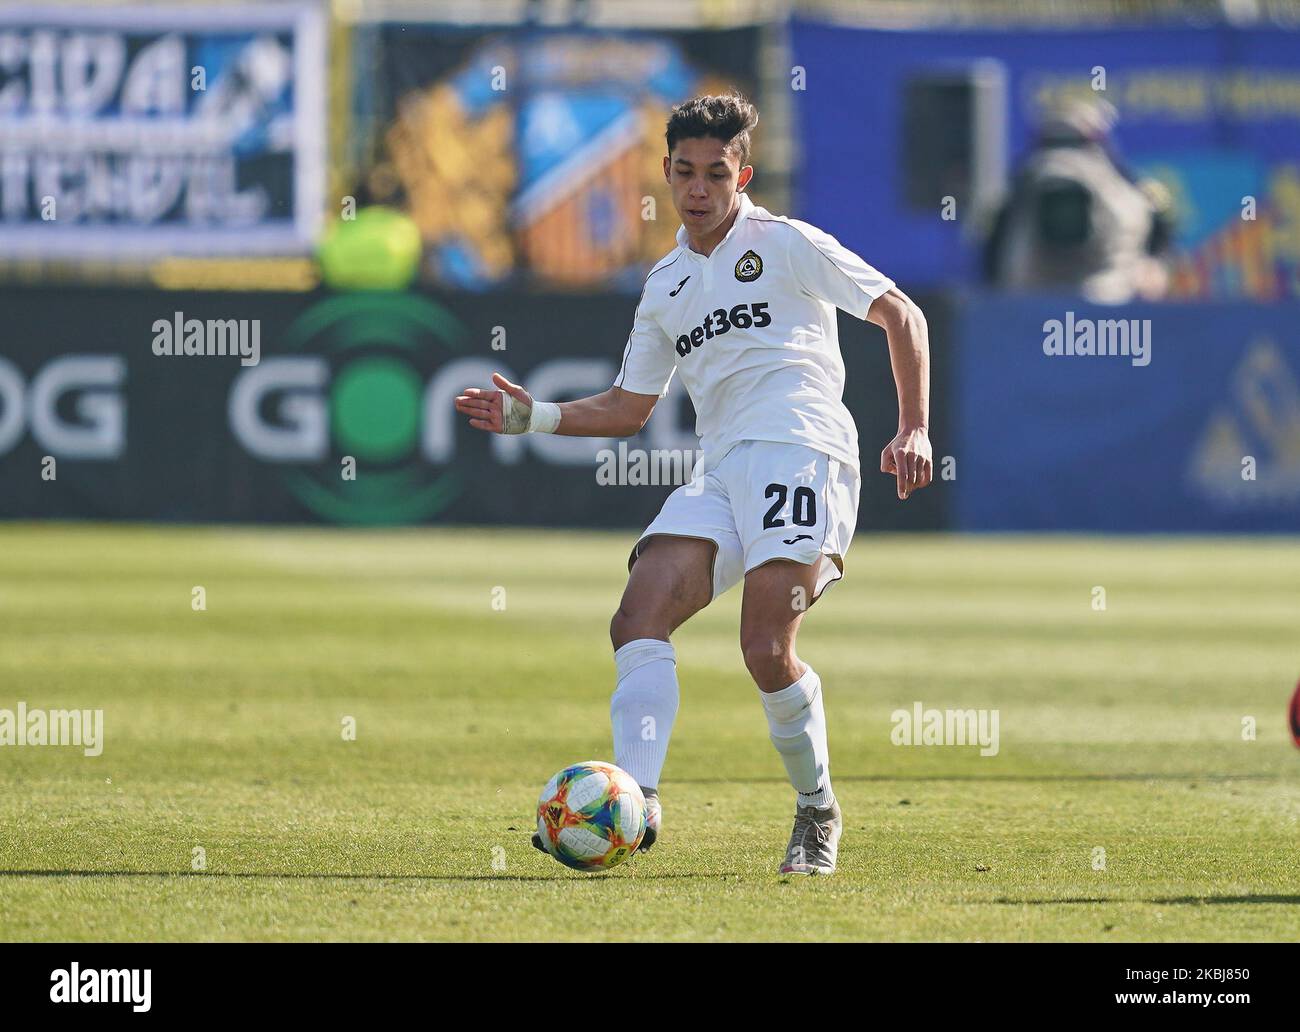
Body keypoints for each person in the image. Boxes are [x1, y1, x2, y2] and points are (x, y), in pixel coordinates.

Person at [455, 93, 932, 874]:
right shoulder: (666, 283)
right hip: (720, 469)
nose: (700, 187)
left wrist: (912, 426)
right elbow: (625, 408)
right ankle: (634, 803)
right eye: (685, 172)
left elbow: (902, 315)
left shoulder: (785, 243)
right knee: (637, 616)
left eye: (717, 172)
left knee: (765, 648)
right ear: (668, 174)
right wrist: (531, 417)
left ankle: (817, 811)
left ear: (742, 173)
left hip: (803, 451)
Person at [983, 98, 1173, 303]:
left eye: (1073, 141)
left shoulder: (1131, 194)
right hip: (1044, 309)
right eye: (1053, 142)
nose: (1063, 158)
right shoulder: (1017, 194)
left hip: (1107, 315)